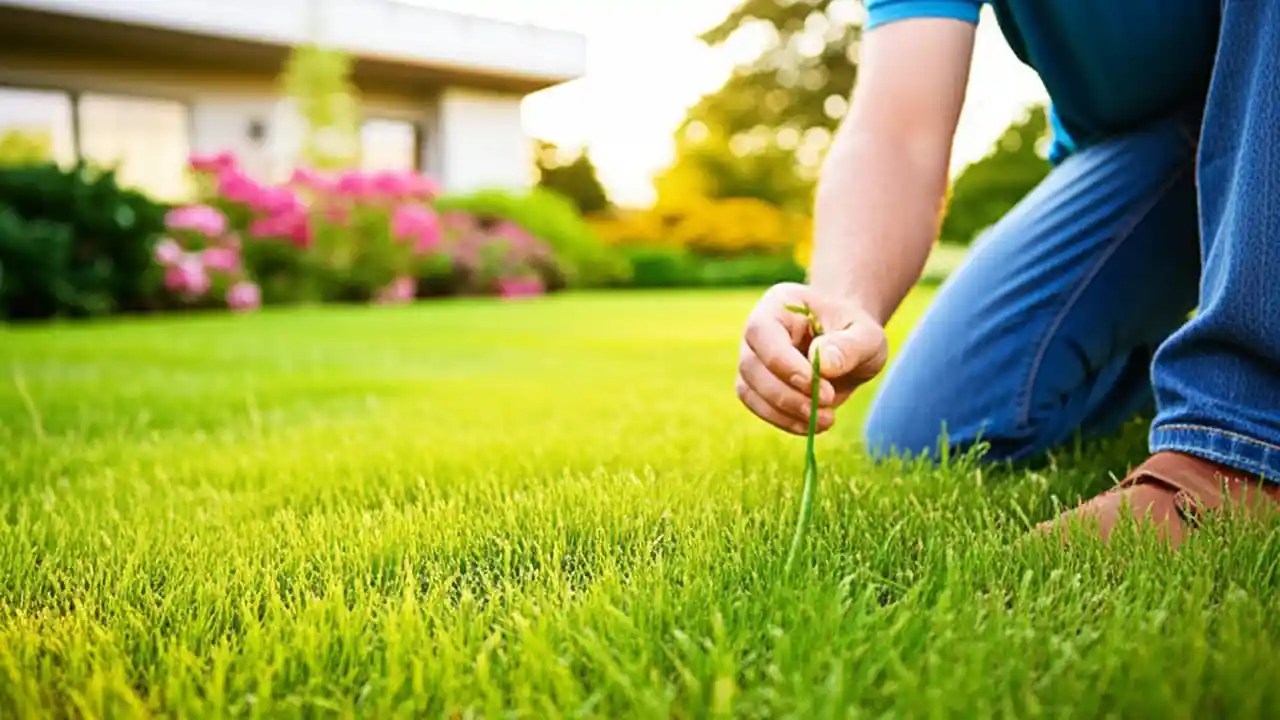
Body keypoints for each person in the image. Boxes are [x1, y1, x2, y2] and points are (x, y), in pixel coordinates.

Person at [735, 0, 1280, 546]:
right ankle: (1183, 377)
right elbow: (898, 132)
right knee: (933, 433)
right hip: (1148, 150)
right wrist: (845, 300)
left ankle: (1243, 450)